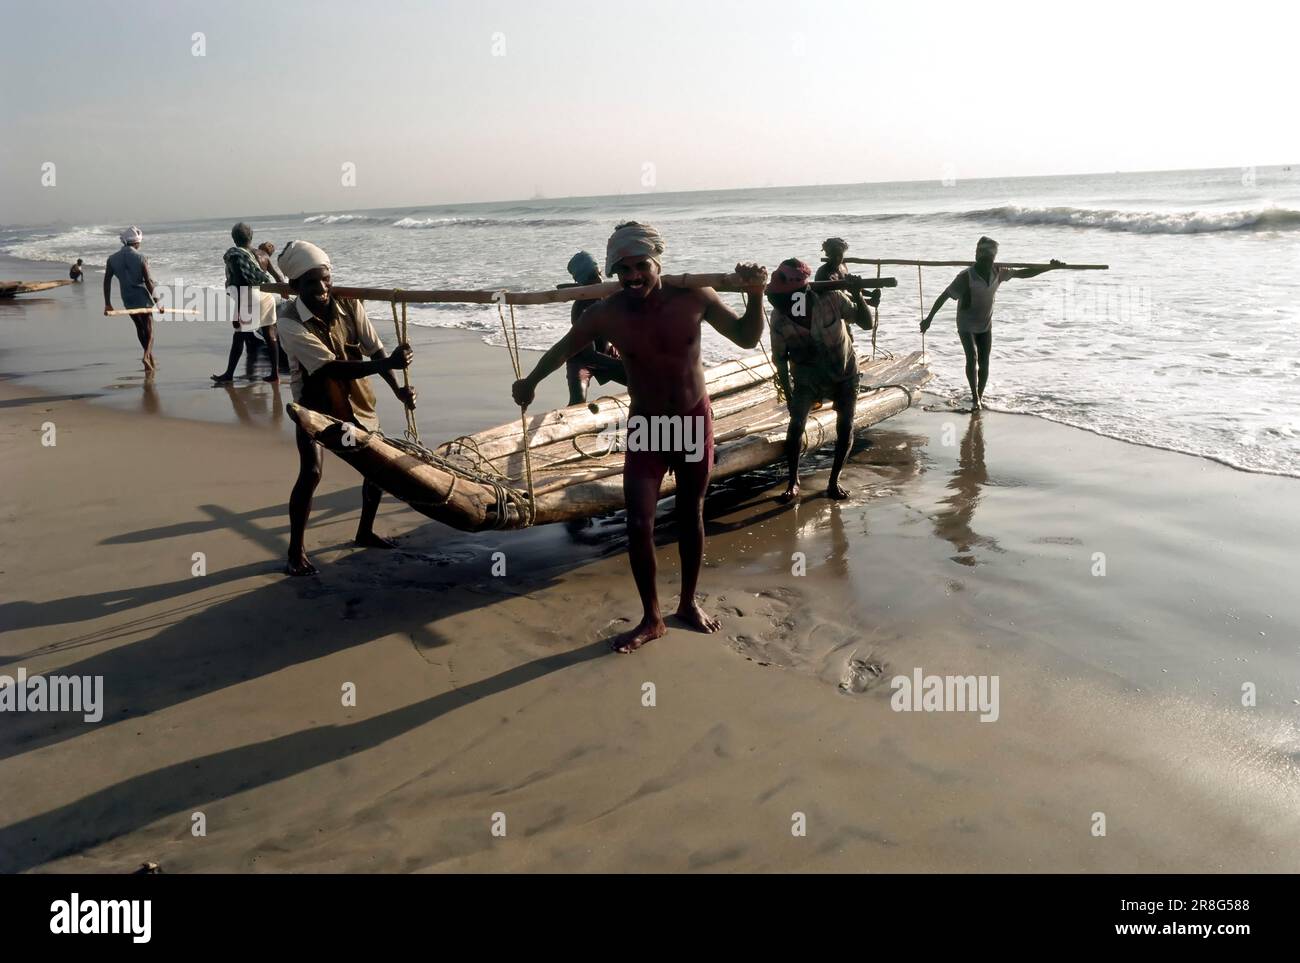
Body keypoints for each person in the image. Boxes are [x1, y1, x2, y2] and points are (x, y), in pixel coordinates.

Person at [512, 222, 767, 653]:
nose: (632, 276)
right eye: (622, 268)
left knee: (691, 513)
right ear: (613, 270)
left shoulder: (694, 296)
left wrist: (757, 293)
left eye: (640, 266)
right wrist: (531, 381)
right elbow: (563, 348)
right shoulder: (606, 312)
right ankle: (652, 617)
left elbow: (746, 338)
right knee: (638, 523)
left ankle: (687, 604)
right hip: (647, 425)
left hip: (691, 421)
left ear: (657, 263)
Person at [274, 240, 417, 576]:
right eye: (311, 282)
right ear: (295, 286)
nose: (322, 288)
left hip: (357, 401)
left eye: (326, 279)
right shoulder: (288, 320)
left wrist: (399, 390)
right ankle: (295, 551)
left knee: (377, 470)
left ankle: (364, 531)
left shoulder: (350, 307)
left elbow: (376, 351)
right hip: (314, 406)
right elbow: (327, 367)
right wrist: (389, 362)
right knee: (311, 473)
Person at [766, 258, 876, 502]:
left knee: (845, 425)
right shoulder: (779, 317)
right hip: (807, 378)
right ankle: (793, 480)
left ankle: (834, 480)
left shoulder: (832, 299)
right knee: (796, 426)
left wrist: (857, 294)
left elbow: (866, 324)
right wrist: (788, 393)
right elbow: (780, 359)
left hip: (844, 372)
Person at [920, 237, 1064, 410]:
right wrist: (929, 319)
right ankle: (975, 399)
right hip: (966, 323)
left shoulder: (998, 272)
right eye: (984, 258)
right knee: (971, 357)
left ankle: (980, 395)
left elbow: (1023, 273)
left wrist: (1048, 268)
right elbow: (944, 296)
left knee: (984, 361)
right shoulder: (966, 277)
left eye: (990, 258)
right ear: (977, 256)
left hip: (985, 323)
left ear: (993, 258)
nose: (988, 262)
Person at [213, 223, 283, 384]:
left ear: (234, 238)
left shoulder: (235, 256)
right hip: (266, 296)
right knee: (270, 334)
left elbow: (240, 283)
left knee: (239, 337)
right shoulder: (263, 255)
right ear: (251, 237)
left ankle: (229, 374)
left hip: (248, 297)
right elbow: (278, 278)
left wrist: (237, 312)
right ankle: (275, 374)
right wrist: (284, 292)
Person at [563, 250, 626, 405]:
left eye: (599, 273)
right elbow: (589, 354)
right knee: (578, 400)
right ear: (583, 282)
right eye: (592, 277)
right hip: (581, 359)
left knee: (644, 383)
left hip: (608, 353)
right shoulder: (579, 309)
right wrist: (620, 365)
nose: (599, 279)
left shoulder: (608, 298)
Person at [103, 227, 162, 371]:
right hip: (142, 297)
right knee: (150, 329)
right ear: (136, 243)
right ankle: (146, 356)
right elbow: (148, 282)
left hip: (127, 297)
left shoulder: (112, 259)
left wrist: (108, 304)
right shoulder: (141, 257)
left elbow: (106, 281)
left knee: (139, 327)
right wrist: (158, 302)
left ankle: (150, 357)